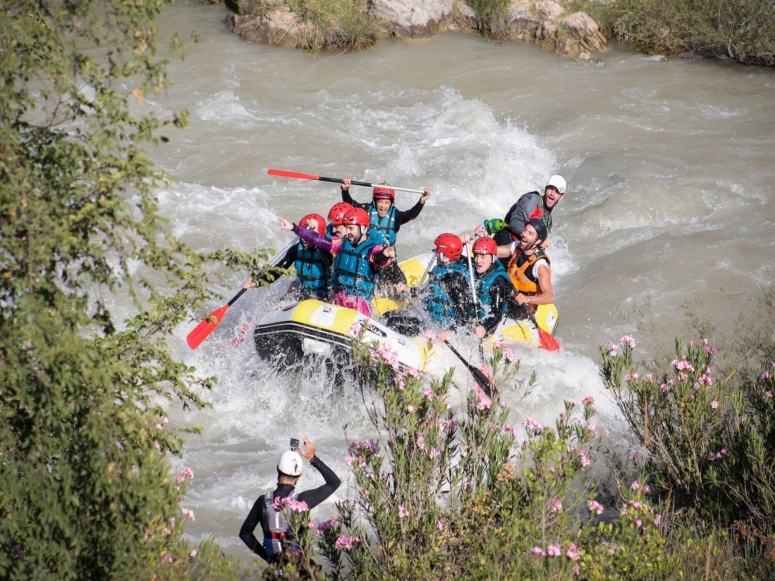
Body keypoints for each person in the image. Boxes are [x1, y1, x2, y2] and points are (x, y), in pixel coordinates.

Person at [239, 439, 341, 568]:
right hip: (299, 569)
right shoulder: (302, 500)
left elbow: (245, 534)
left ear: (278, 469)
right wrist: (313, 458)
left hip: (276, 568)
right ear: (299, 476)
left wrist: (267, 557)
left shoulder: (262, 502)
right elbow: (334, 482)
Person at [279, 207, 395, 316]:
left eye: (351, 228)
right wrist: (294, 228)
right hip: (337, 301)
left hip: (359, 306)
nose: (348, 232)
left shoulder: (373, 249)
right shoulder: (340, 244)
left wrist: (385, 255)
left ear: (364, 228)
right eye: (346, 227)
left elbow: (379, 258)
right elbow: (318, 239)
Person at [341, 178, 431, 295]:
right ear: (375, 201)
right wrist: (345, 190)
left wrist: (421, 202)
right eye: (380, 201)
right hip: (368, 257)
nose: (383, 206)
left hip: (387, 260)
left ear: (391, 203)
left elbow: (410, 215)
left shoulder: (396, 215)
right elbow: (351, 206)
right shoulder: (366, 210)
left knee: (401, 283)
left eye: (387, 202)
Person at [388, 233, 474, 340]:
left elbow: (466, 314)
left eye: (438, 250)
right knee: (387, 315)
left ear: (446, 256)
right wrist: (407, 289)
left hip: (437, 326)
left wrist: (449, 331)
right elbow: (427, 290)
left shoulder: (455, 279)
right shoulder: (440, 269)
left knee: (393, 323)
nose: (435, 252)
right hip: (426, 316)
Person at [244, 213, 331, 301]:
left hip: (323, 297)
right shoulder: (296, 250)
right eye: (303, 235)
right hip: (302, 296)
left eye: (307, 236)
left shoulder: (328, 251)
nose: (303, 239)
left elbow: (329, 260)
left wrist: (315, 235)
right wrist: (258, 282)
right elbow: (278, 270)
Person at [485, 174, 566, 250]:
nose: (552, 193)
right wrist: (537, 241)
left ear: (561, 197)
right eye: (550, 188)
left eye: (557, 191)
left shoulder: (549, 220)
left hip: (521, 248)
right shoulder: (532, 200)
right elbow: (515, 223)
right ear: (545, 189)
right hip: (506, 240)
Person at [503, 218, 554, 317]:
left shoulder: (540, 265)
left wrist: (527, 298)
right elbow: (494, 251)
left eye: (530, 233)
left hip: (524, 309)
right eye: (525, 230)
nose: (524, 234)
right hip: (508, 298)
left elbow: (549, 296)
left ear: (537, 241)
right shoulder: (516, 246)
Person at [470, 236, 512, 338]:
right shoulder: (473, 268)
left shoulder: (498, 283)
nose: (478, 261)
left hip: (488, 321)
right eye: (476, 256)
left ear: (492, 258)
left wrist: (484, 328)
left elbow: (497, 314)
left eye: (483, 257)